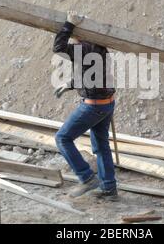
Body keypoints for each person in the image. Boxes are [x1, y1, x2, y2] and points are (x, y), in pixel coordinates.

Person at [53, 11, 117, 200]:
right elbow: (91, 74)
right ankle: (109, 188)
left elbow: (58, 47)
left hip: (93, 106)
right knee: (101, 146)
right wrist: (70, 84)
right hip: (107, 104)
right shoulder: (98, 47)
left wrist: (68, 25)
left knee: (62, 138)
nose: (73, 38)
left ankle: (87, 177)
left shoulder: (83, 49)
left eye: (74, 34)